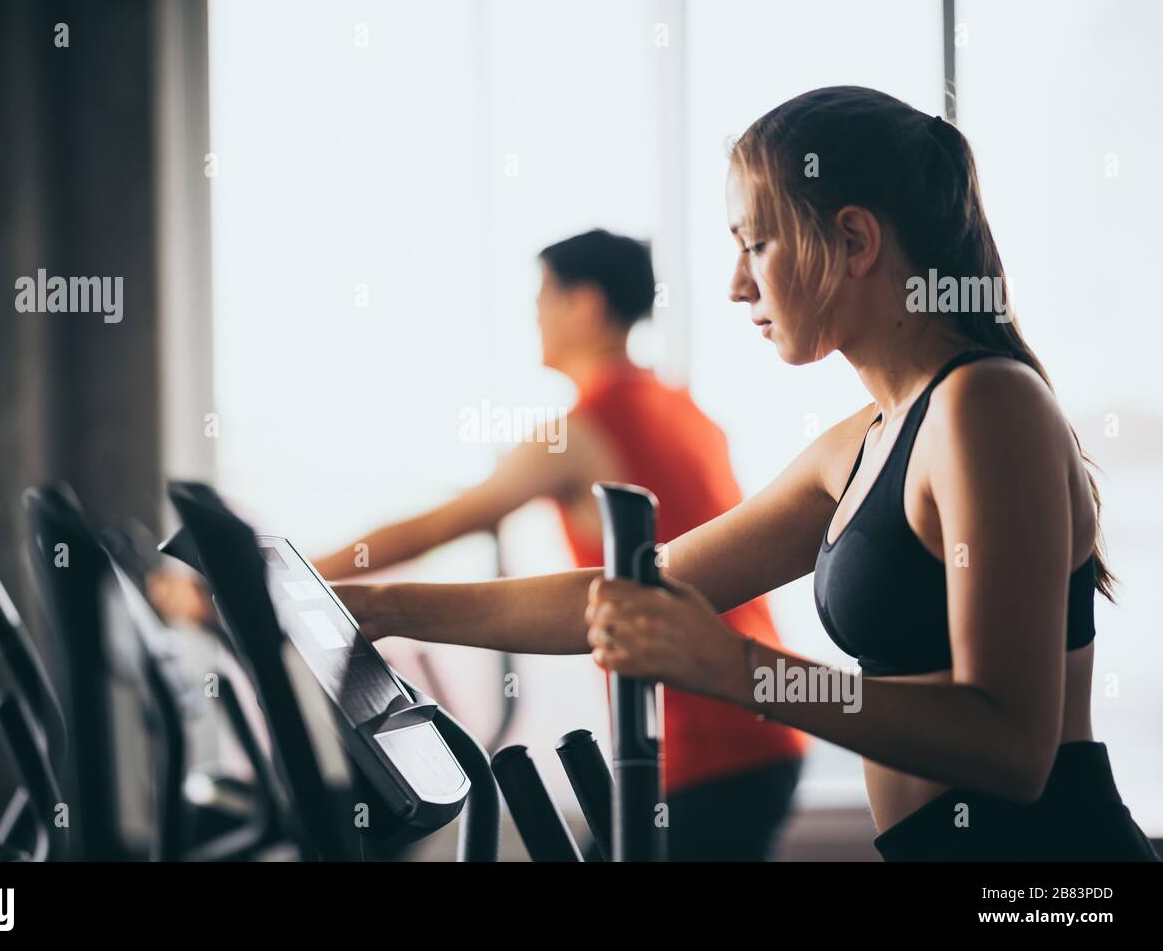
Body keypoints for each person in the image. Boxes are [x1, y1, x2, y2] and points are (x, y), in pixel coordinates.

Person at [338, 87, 1159, 861]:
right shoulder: (862, 442)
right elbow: (630, 589)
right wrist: (379, 607)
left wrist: (738, 671)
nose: (738, 285)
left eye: (755, 243)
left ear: (855, 240)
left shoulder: (985, 405)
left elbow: (1010, 746)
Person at [315, 228, 807, 860]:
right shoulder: (682, 408)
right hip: (755, 733)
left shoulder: (584, 428)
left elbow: (433, 528)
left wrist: (297, 575)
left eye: (544, 297)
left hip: (705, 743)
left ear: (587, 305)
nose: (534, 316)